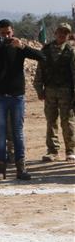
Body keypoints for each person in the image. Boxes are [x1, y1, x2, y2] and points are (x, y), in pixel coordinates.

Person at [0, 19, 44, 180]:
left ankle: (21, 168)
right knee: (0, 133)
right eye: (3, 33)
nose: (6, 36)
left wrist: (23, 47)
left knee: (18, 133)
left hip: (17, 97)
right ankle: (1, 168)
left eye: (9, 33)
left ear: (13, 32)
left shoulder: (18, 47)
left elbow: (42, 57)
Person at [34, 22, 75, 162]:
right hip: (50, 90)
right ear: (55, 33)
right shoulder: (46, 50)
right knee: (51, 121)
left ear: (68, 35)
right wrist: (39, 89)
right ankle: (52, 151)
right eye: (60, 31)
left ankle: (70, 150)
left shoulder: (71, 51)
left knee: (67, 121)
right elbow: (39, 71)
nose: (62, 34)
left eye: (65, 32)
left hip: (66, 91)